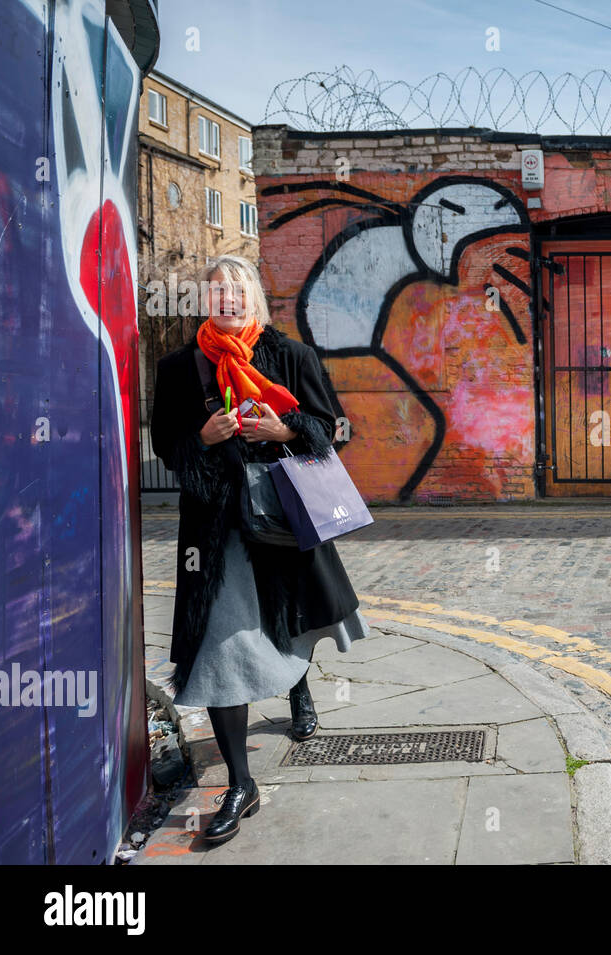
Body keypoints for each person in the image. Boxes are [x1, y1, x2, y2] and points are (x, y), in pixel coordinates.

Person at [150, 254, 370, 846]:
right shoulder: (178, 368)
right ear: (203, 301)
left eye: (237, 289)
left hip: (280, 520)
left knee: (285, 620)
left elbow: (332, 425)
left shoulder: (289, 356)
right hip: (215, 532)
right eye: (216, 290)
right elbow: (165, 444)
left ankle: (297, 684)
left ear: (254, 298)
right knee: (219, 648)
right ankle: (240, 784)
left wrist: (286, 431)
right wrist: (201, 438)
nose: (227, 299)